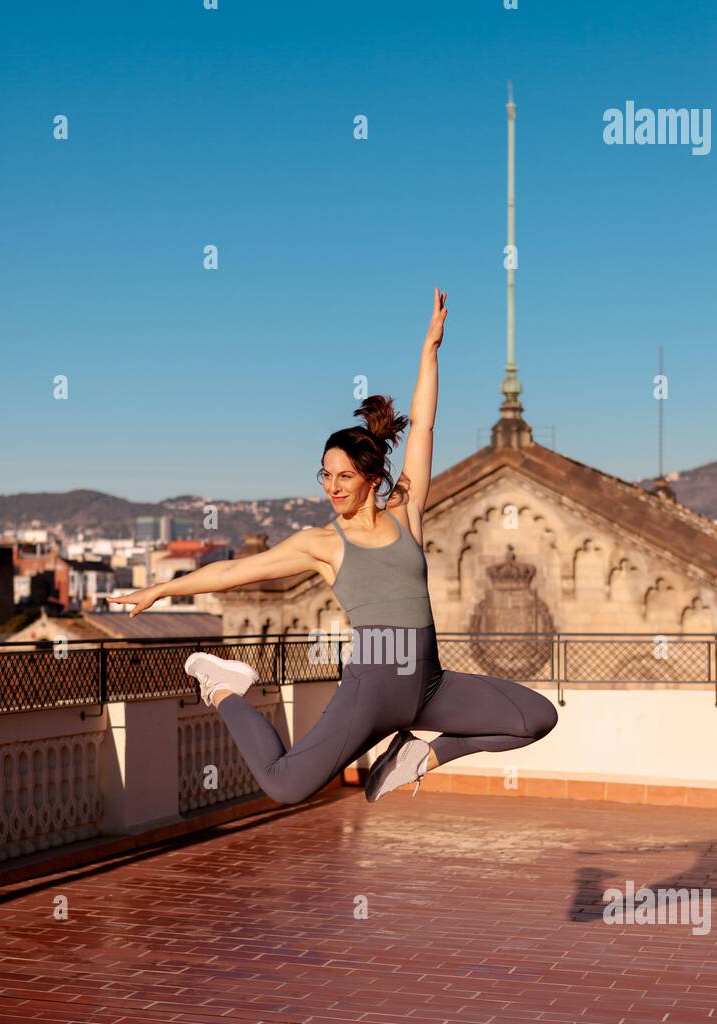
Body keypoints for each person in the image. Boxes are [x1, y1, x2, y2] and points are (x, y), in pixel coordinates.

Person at [110, 288, 558, 805]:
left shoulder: (406, 511)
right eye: (326, 475)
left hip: (431, 686)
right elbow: (239, 572)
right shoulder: (322, 543)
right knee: (284, 784)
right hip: (369, 694)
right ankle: (223, 689)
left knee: (536, 717)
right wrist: (163, 588)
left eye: (344, 475)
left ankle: (419, 756)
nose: (333, 486)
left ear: (371, 477)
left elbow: (424, 425)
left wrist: (429, 352)